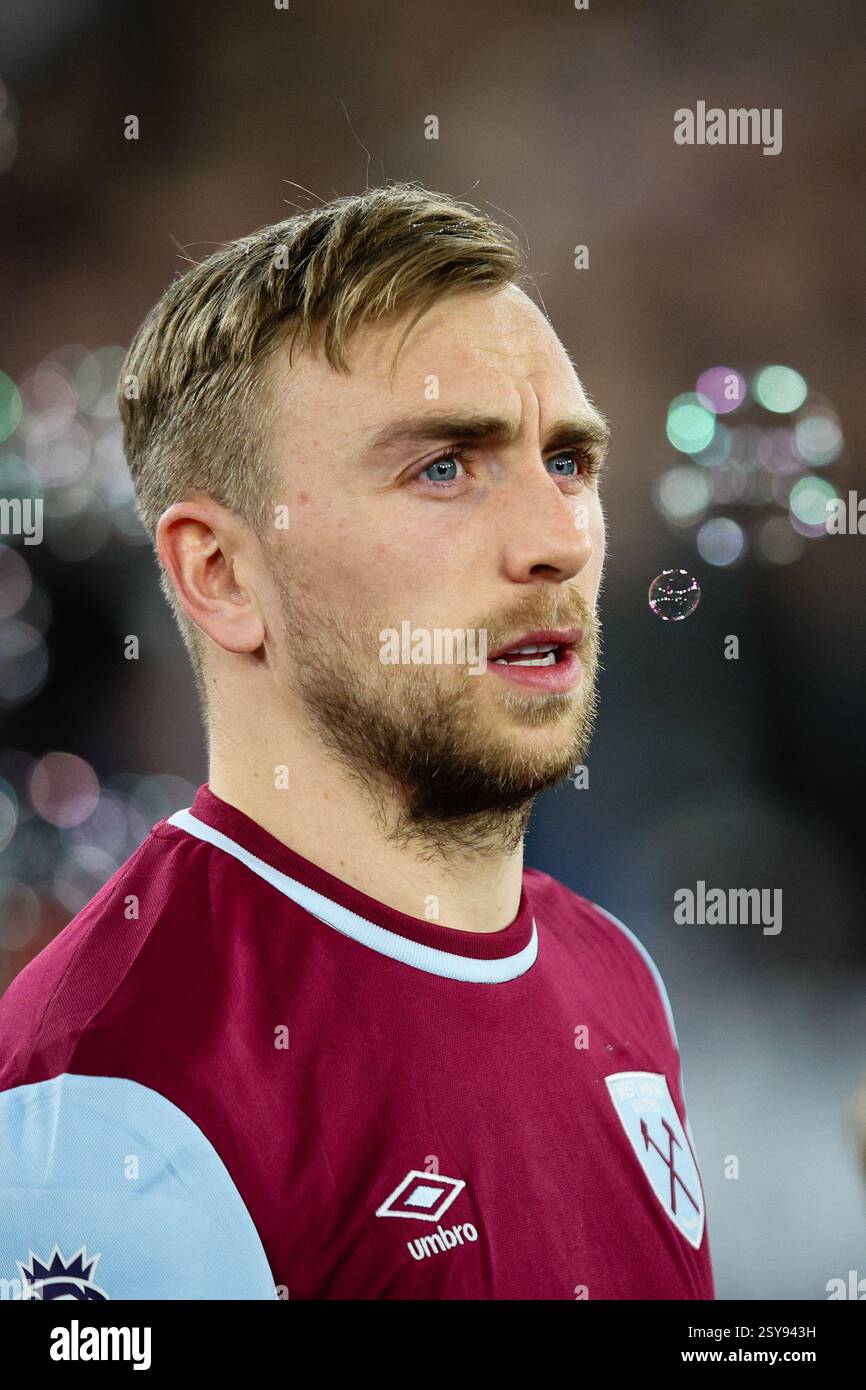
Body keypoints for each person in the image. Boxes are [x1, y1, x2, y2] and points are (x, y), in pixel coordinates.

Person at [0, 183, 713, 1299]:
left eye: (567, 462)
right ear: (221, 575)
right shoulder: (111, 1099)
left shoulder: (616, 978)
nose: (557, 540)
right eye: (443, 466)